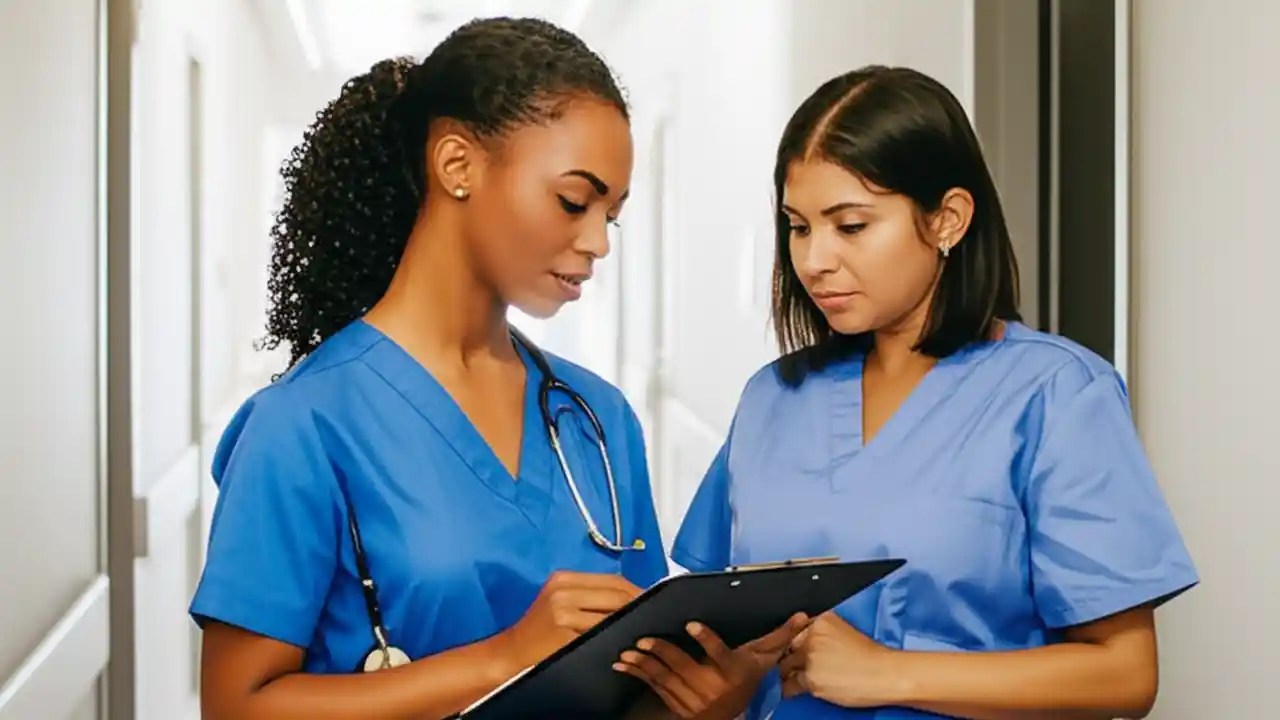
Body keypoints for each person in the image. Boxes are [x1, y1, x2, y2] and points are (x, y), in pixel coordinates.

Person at [189, 17, 801, 720]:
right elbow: (236, 707)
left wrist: (707, 702)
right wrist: (504, 657)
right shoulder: (302, 425)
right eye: (574, 201)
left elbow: (635, 685)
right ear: (457, 165)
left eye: (611, 215)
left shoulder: (598, 420)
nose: (598, 242)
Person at [670, 65, 1199, 720]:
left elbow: (1125, 675)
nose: (813, 261)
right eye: (799, 227)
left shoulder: (1055, 394)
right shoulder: (772, 399)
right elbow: (721, 637)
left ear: (948, 219)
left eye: (850, 226)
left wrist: (890, 674)